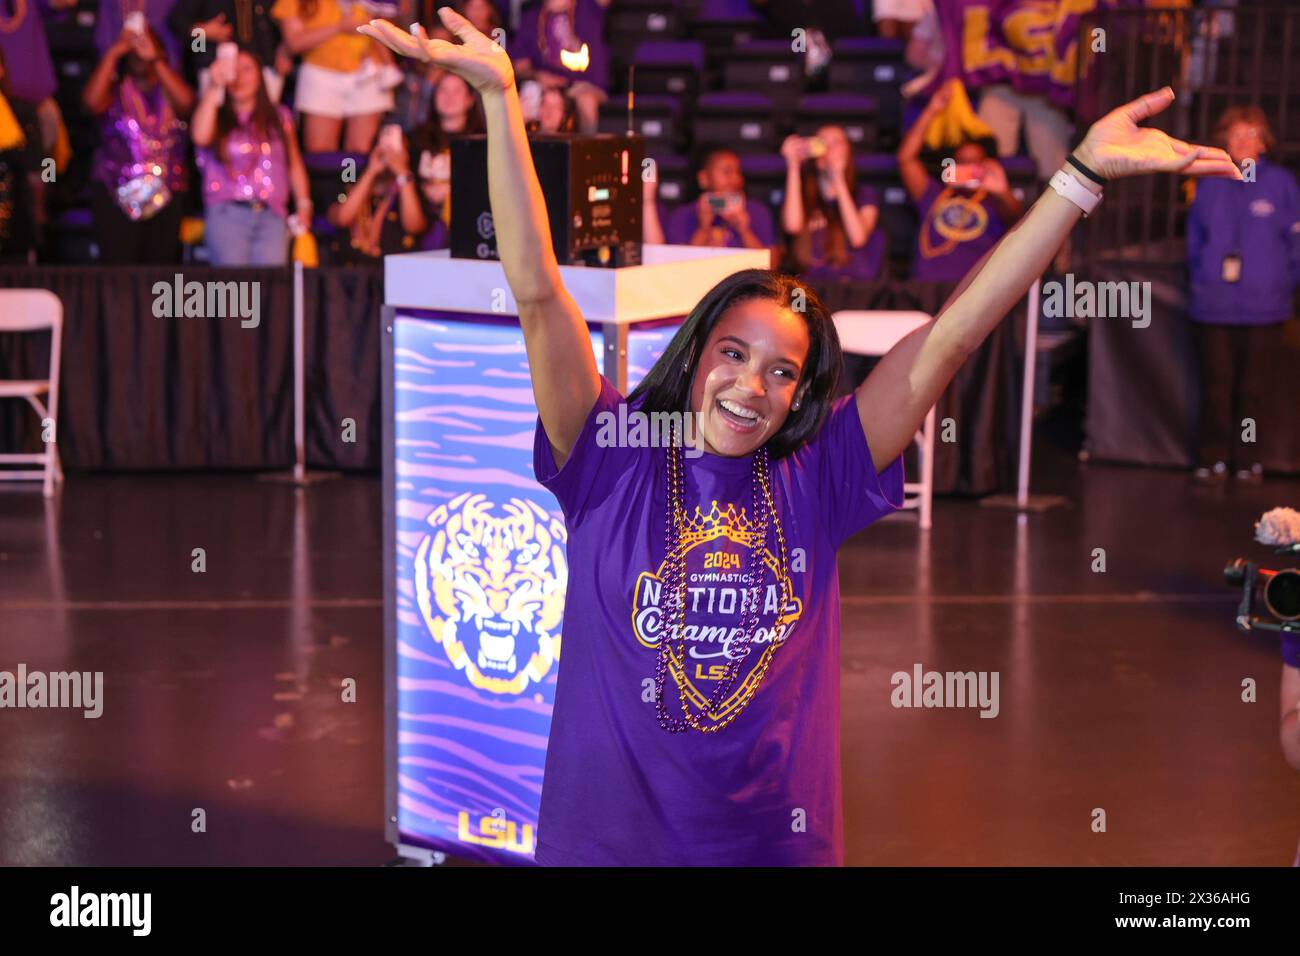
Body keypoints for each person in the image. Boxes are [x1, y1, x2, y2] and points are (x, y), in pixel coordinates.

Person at [361, 7, 1238, 867]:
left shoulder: (819, 476)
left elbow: (953, 335)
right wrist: (501, 101)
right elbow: (541, 290)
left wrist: (1078, 178)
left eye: (783, 371)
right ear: (695, 349)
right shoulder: (610, 454)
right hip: (606, 845)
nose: (752, 385)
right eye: (735, 354)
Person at [1187, 107, 1299, 482]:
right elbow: (1195, 241)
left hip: (1266, 306)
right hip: (1214, 304)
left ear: (1264, 142)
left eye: (1252, 134)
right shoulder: (1210, 183)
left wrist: (1285, 283)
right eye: (1236, 135)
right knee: (1215, 385)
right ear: (1225, 141)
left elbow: (1295, 241)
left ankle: (1248, 458)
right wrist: (1204, 274)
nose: (1244, 142)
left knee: (1254, 390)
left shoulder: (1282, 184)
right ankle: (1213, 457)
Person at [83, 25, 193, 264]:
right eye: (133, 48)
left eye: (145, 44)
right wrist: (113, 52)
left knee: (160, 273)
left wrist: (156, 59)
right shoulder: (114, 90)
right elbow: (90, 103)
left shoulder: (169, 89)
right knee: (117, 271)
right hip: (115, 194)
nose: (139, 52)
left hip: (165, 195)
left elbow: (187, 104)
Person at [192, 47, 312, 265]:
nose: (239, 76)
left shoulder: (279, 116)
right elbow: (200, 136)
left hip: (272, 215)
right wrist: (214, 84)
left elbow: (293, 164)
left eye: (246, 69)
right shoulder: (216, 114)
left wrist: (304, 204)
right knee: (234, 293)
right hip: (228, 213)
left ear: (260, 75)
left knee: (269, 290)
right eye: (233, 69)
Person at [898, 84, 1023, 282]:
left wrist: (1002, 191)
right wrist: (931, 110)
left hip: (974, 293)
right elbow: (906, 159)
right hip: (926, 290)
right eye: (962, 163)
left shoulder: (994, 201)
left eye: (975, 163)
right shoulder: (932, 193)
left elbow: (1021, 224)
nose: (968, 168)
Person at [271, 0, 395, 151]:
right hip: (321, 72)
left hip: (368, 71)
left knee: (359, 152)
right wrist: (340, 27)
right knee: (322, 152)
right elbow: (294, 42)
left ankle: (349, 176)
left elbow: (390, 19)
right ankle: (337, 176)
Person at [781, 125, 885, 281]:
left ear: (848, 152)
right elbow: (792, 226)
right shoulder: (802, 193)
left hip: (850, 287)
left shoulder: (864, 195)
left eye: (836, 142)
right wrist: (793, 165)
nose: (828, 148)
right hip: (807, 289)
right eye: (822, 142)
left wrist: (837, 177)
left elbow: (858, 238)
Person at [329, 124, 437, 256]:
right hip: (347, 270)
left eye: (396, 148)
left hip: (395, 270)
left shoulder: (412, 190)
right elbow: (341, 218)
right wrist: (371, 171)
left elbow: (414, 226)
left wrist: (402, 173)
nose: (389, 155)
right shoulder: (350, 179)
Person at [510, 0, 607, 134]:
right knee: (526, 98)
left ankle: (586, 151)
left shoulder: (587, 6)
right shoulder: (530, 17)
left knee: (586, 101)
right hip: (544, 84)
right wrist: (539, 76)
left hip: (583, 84)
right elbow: (520, 66)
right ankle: (531, 151)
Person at [664, 147, 775, 255]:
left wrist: (745, 231)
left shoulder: (757, 211)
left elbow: (771, 265)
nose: (736, 179)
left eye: (738, 172)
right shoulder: (682, 215)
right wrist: (703, 228)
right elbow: (678, 265)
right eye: (727, 172)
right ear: (704, 178)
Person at [170, 0, 288, 101]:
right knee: (216, 122)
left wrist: (285, 50)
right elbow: (178, 25)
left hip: (265, 65)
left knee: (264, 121)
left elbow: (286, 21)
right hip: (216, 66)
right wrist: (203, 32)